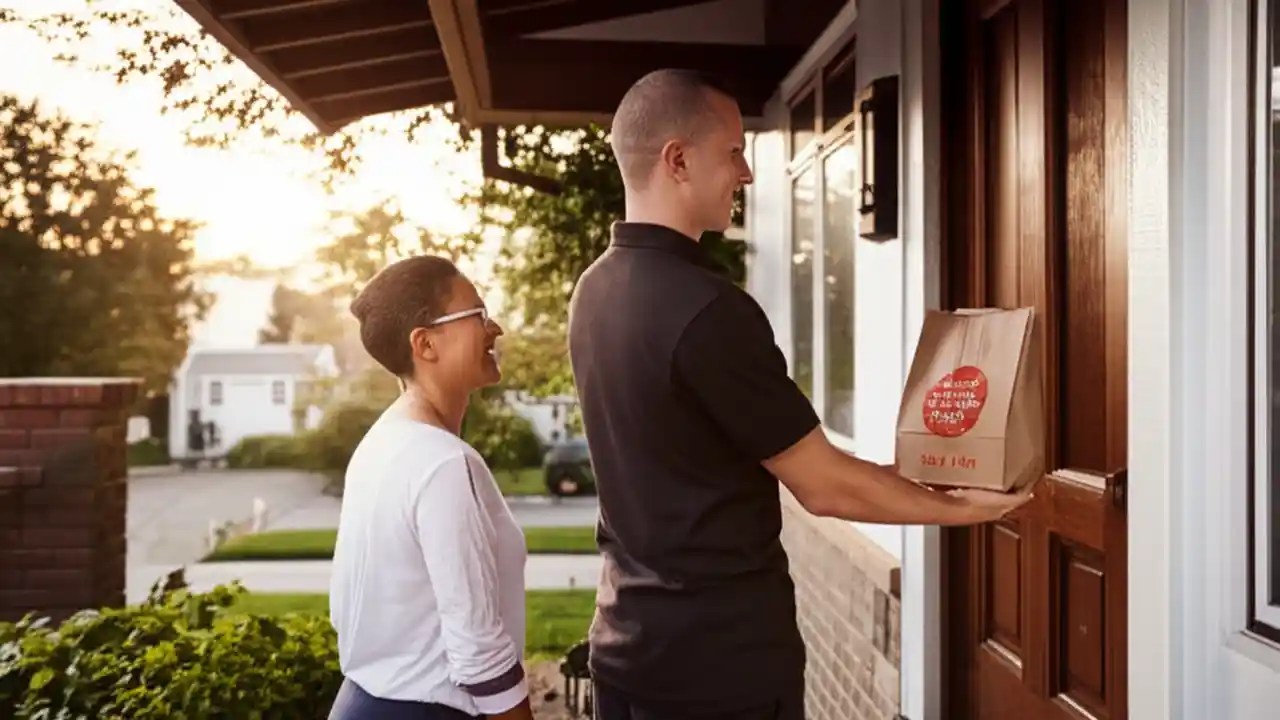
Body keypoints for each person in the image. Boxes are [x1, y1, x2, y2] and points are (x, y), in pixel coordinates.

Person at [567, 69, 1035, 719]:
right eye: (733, 151)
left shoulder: (594, 291)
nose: (747, 173)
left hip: (628, 650)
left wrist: (917, 472)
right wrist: (970, 510)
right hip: (718, 674)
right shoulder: (707, 311)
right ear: (677, 159)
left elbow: (701, 451)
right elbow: (824, 485)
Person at [328, 256, 535, 720]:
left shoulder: (383, 442)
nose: (495, 328)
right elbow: (480, 652)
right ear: (424, 344)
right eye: (477, 316)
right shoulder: (441, 463)